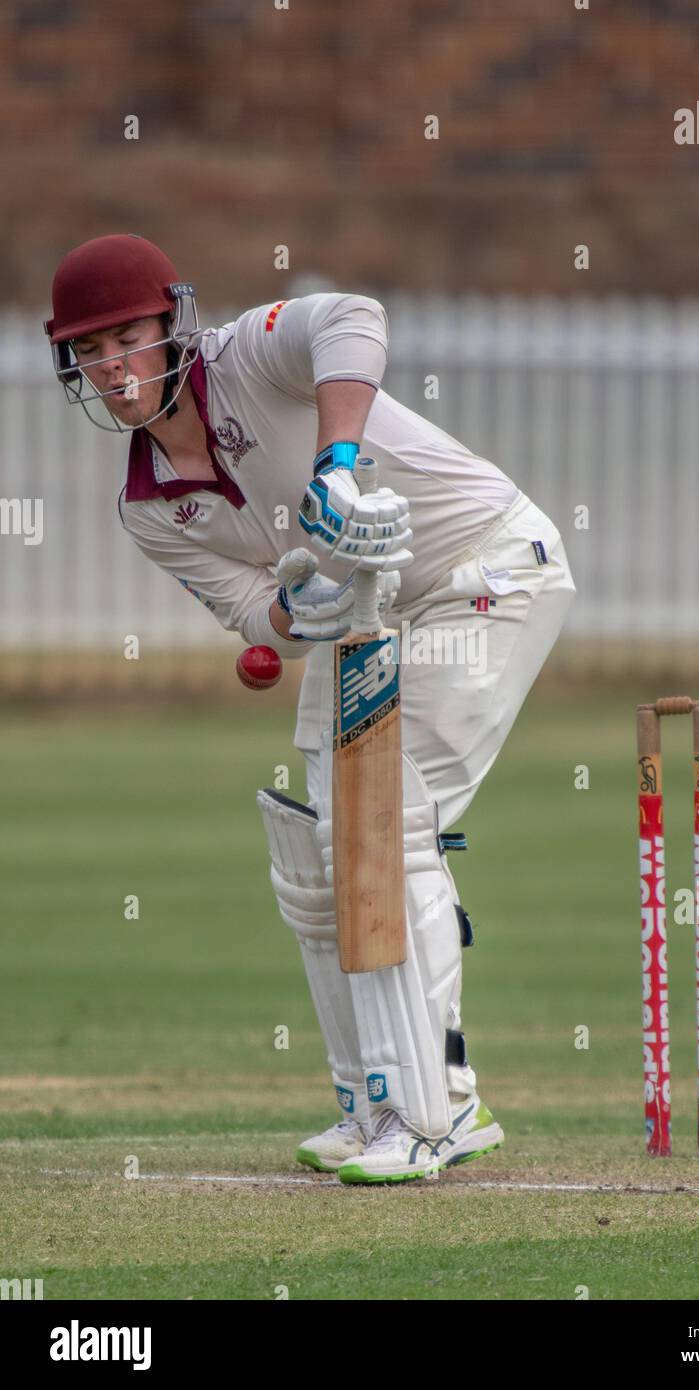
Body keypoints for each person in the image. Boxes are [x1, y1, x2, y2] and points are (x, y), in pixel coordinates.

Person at [45, 233, 576, 1184]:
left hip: (483, 572)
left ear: (173, 324)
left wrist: (337, 463)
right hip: (364, 618)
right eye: (89, 350)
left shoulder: (248, 353)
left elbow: (352, 317)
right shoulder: (148, 508)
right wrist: (296, 606)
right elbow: (257, 618)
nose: (112, 368)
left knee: (384, 826)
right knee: (313, 850)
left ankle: (428, 1113)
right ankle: (378, 1098)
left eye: (126, 337)